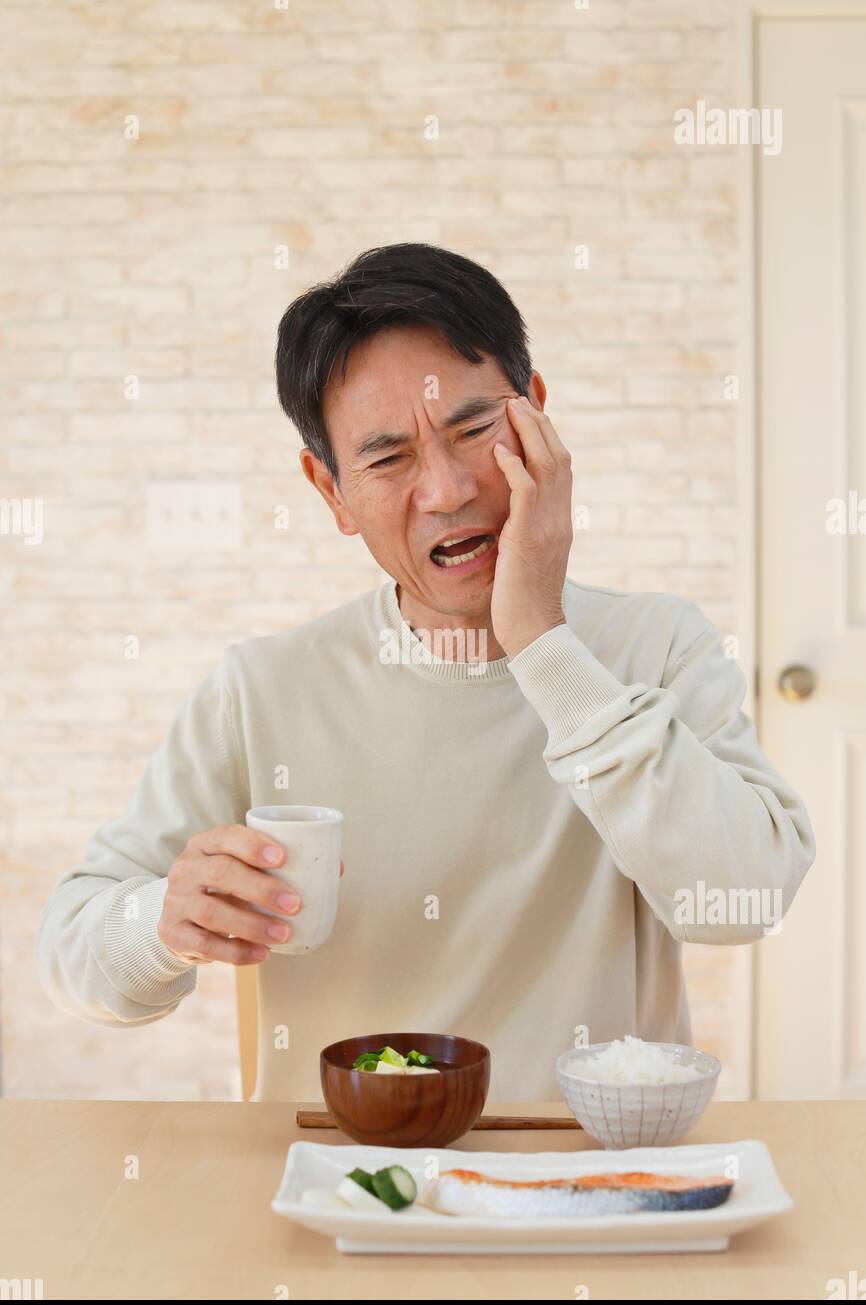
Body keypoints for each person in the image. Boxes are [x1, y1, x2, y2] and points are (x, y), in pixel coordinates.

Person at [38, 243, 816, 1101]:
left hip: (585, 1179)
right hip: (350, 1186)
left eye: (474, 429)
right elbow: (74, 956)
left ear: (537, 419)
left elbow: (743, 900)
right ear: (330, 492)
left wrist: (543, 644)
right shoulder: (262, 691)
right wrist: (162, 925)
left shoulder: (655, 647)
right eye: (386, 458)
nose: (445, 490)